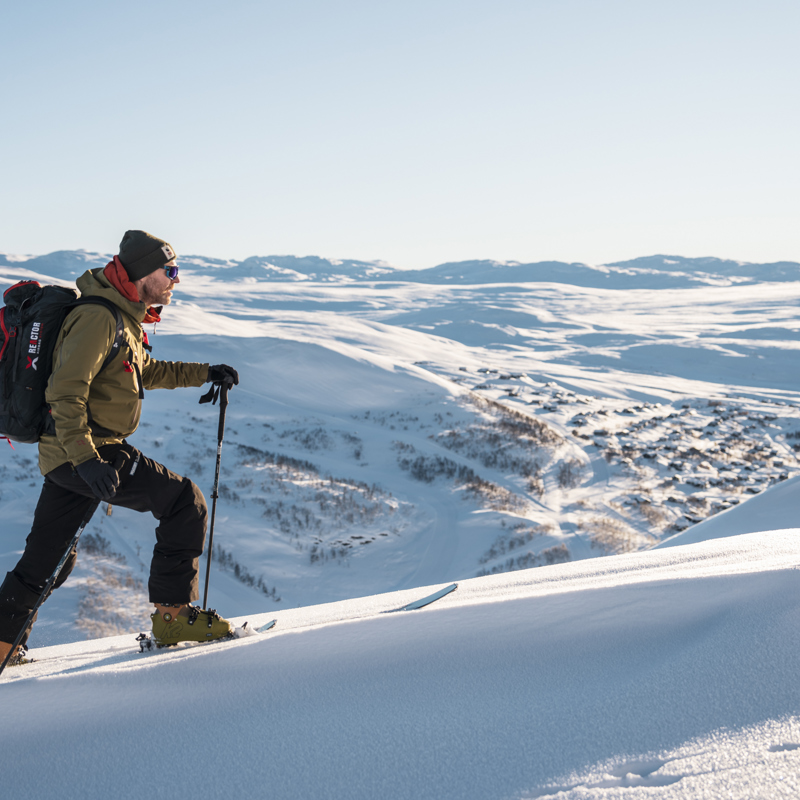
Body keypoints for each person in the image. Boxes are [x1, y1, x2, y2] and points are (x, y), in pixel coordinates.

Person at [0, 230, 239, 665]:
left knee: (48, 560)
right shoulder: (98, 318)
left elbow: (146, 369)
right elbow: (65, 394)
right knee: (186, 501)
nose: (175, 280)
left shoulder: (122, 317)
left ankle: (1, 643)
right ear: (144, 272)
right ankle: (173, 617)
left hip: (69, 458)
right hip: (87, 452)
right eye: (170, 271)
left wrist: (206, 372)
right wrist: (89, 461)